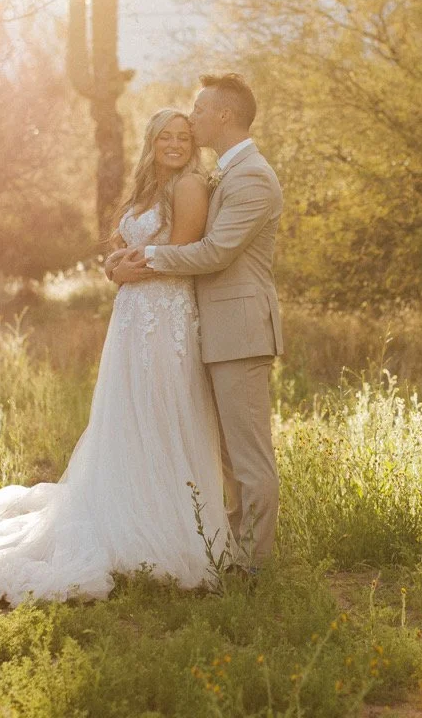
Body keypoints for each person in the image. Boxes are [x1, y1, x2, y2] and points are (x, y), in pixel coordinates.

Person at [0, 108, 230, 602]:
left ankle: (166, 522)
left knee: (161, 411)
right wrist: (114, 265)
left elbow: (181, 256)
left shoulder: (190, 186)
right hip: (133, 316)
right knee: (127, 416)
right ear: (151, 142)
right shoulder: (147, 191)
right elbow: (125, 246)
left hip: (164, 317)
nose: (174, 144)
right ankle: (126, 506)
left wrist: (127, 271)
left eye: (182, 137)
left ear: (192, 145)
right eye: (164, 136)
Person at [111, 73, 284, 566]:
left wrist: (141, 261)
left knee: (247, 455)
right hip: (212, 329)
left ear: (224, 115)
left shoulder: (251, 175)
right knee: (227, 453)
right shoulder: (226, 173)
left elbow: (215, 252)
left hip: (241, 332)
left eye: (201, 109)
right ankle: (229, 548)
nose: (194, 116)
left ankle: (253, 564)